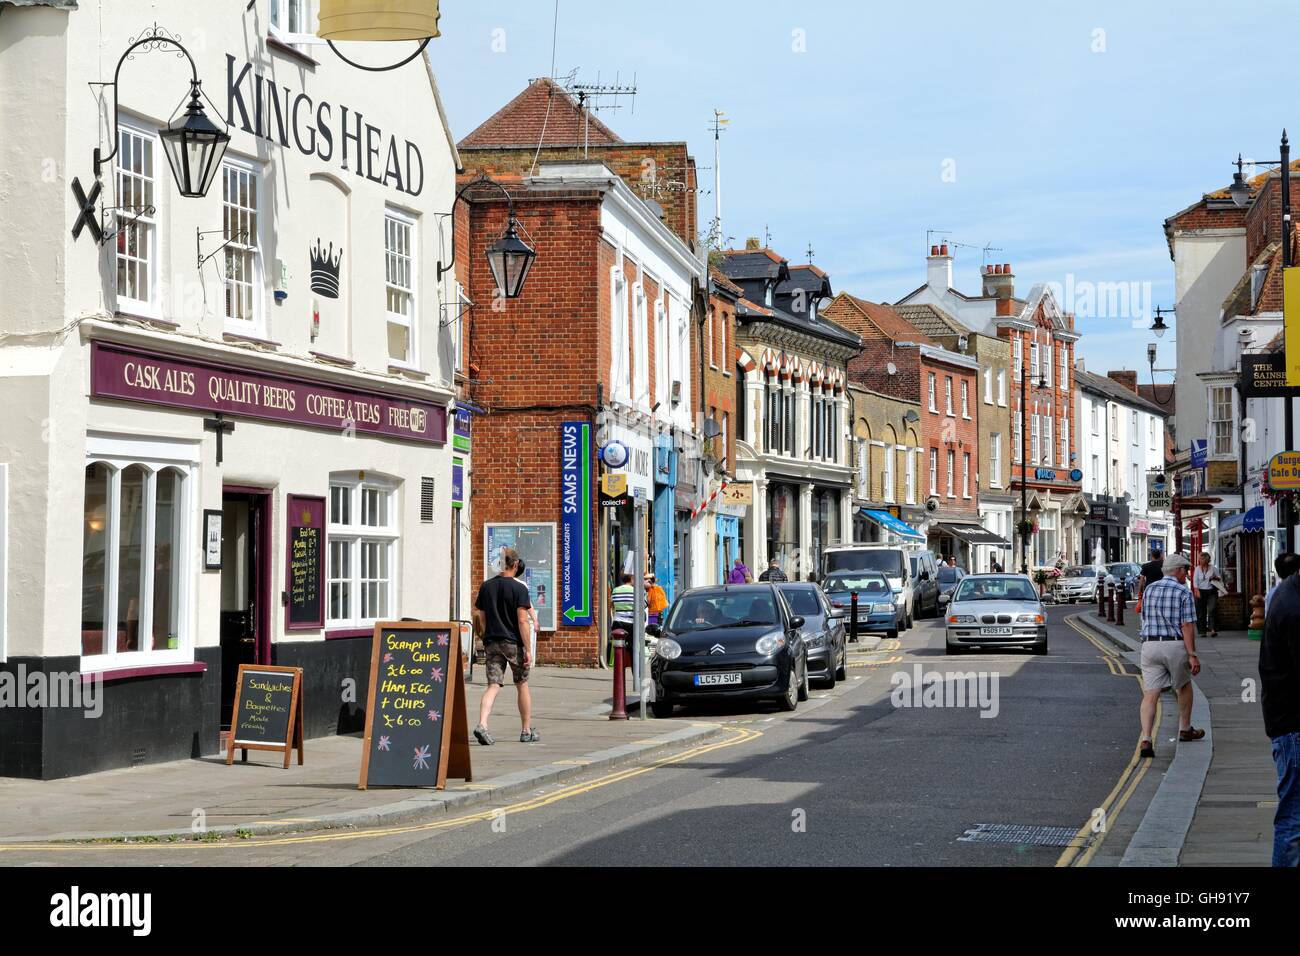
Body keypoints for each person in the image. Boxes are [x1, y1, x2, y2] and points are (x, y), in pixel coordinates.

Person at [1136, 553, 1203, 758]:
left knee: (1150, 694)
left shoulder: (1149, 590)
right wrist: (1192, 654)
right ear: (1178, 571)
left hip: (1150, 645)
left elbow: (1145, 618)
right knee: (1183, 685)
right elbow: (1187, 625)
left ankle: (1146, 739)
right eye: (1186, 570)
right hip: (1174, 645)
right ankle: (1185, 728)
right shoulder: (1183, 592)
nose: (1187, 574)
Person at [472, 547, 538, 745]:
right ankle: (526, 730)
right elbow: (522, 621)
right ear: (516, 565)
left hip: (492, 642)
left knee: (493, 685)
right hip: (513, 643)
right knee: (522, 684)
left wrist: (484, 635)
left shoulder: (486, 587)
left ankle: (482, 724)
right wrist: (527, 649)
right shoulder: (519, 589)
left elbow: (480, 617)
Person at [1260, 554, 1300, 866]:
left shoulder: (1286, 595)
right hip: (1293, 724)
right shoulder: (1294, 606)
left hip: (1286, 721)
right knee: (1294, 816)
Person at [1192, 551, 1223, 638]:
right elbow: (1195, 581)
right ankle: (1202, 631)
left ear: (1206, 559)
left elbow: (1220, 578)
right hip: (1200, 591)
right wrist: (1196, 590)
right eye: (1199, 559)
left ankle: (1212, 629)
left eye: (1201, 559)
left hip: (1211, 592)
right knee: (1201, 612)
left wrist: (1214, 577)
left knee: (1212, 610)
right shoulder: (1197, 569)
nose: (1200, 560)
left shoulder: (1213, 568)